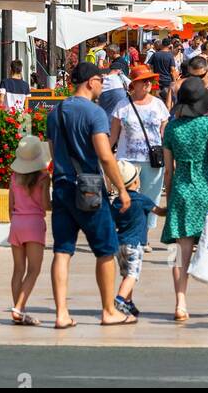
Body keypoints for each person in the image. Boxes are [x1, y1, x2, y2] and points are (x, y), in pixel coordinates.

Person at [46, 61, 136, 328]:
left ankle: (61, 314)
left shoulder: (55, 112)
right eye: (100, 81)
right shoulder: (95, 113)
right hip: (89, 188)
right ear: (90, 82)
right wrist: (122, 189)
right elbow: (105, 155)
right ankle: (109, 311)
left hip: (61, 185)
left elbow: (52, 149)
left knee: (62, 250)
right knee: (106, 249)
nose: (102, 86)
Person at [160, 75, 208, 322]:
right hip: (206, 191)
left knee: (179, 252)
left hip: (181, 191)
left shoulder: (171, 128)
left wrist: (169, 199)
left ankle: (180, 304)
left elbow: (168, 171)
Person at [110, 64, 169, 227]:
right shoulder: (122, 105)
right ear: (133, 84)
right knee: (127, 199)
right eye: (143, 80)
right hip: (127, 161)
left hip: (152, 160)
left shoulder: (158, 104)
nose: (148, 83)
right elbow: (113, 135)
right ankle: (129, 229)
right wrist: (104, 156)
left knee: (150, 200)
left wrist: (171, 157)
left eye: (149, 80)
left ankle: (145, 233)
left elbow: (165, 134)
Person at [8, 135, 50, 325]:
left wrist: (16, 222)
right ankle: (18, 308)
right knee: (34, 270)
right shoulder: (43, 178)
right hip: (34, 224)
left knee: (18, 269)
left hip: (17, 222)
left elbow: (10, 206)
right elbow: (46, 205)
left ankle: (19, 310)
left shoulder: (14, 177)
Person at [109, 160, 156, 318]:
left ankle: (128, 302)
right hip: (135, 244)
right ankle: (120, 300)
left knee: (125, 274)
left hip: (119, 244)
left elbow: (111, 221)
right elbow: (159, 211)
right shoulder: (142, 200)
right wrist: (169, 209)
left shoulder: (117, 202)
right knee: (132, 275)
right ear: (136, 181)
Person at [98, 48, 131, 119]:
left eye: (108, 52)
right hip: (121, 90)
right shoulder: (120, 61)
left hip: (114, 90)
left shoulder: (120, 62)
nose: (107, 54)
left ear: (113, 52)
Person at [148, 37, 177, 109]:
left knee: (155, 100)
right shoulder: (170, 56)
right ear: (169, 45)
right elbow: (172, 70)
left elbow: (149, 66)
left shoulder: (155, 54)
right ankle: (167, 114)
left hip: (155, 80)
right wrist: (175, 82)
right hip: (167, 81)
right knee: (168, 100)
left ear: (161, 44)